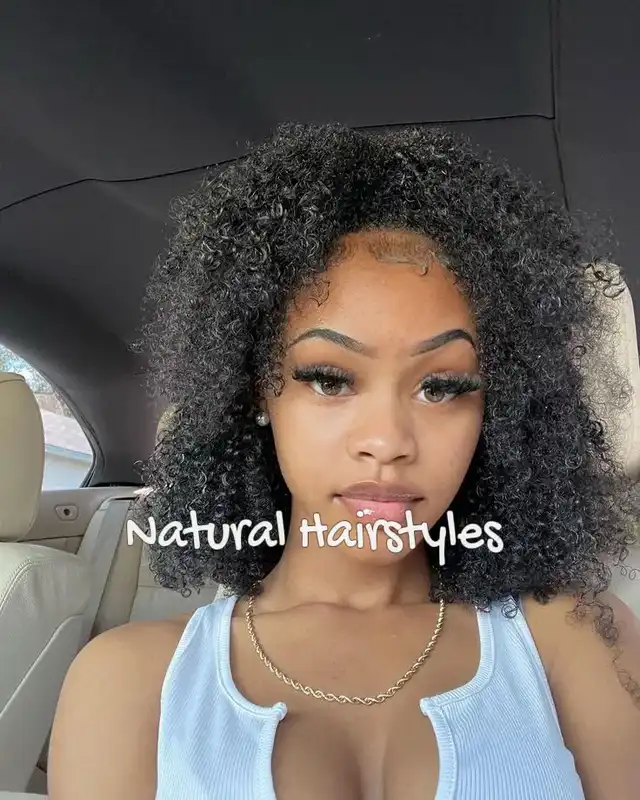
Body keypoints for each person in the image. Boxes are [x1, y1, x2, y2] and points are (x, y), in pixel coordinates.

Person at [48, 122, 640, 799]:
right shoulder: (130, 681)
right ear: (257, 390)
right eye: (330, 379)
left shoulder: (577, 640)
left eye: (442, 386)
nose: (387, 441)